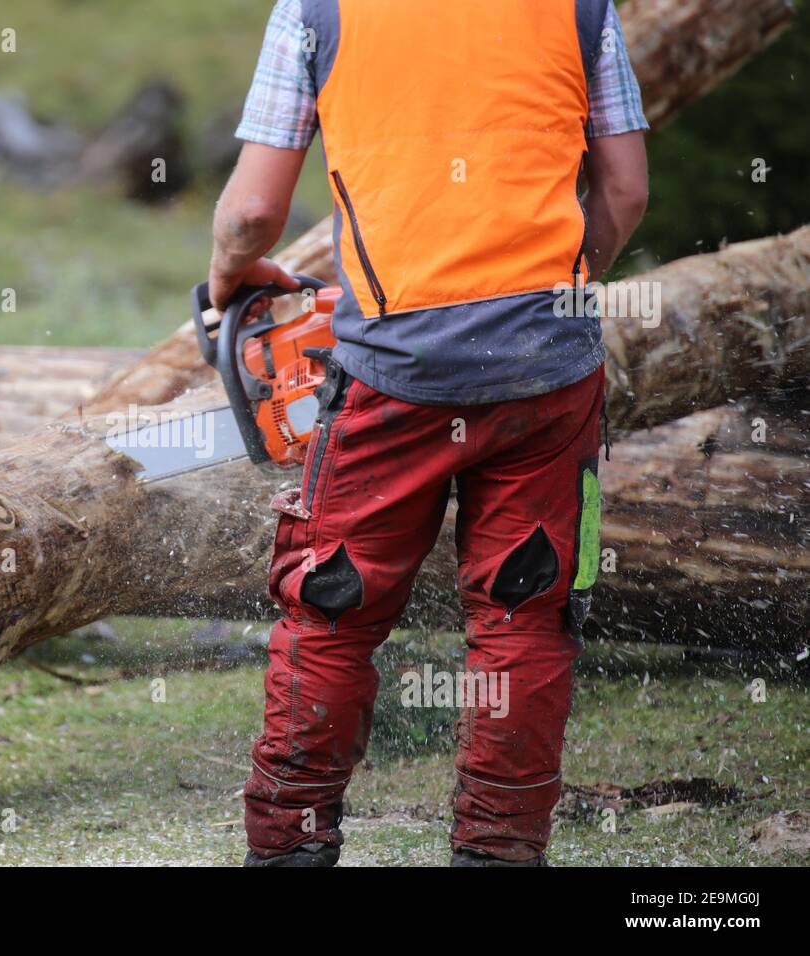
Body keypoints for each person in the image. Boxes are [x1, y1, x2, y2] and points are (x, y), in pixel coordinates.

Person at [208, 0, 649, 867]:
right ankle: (497, 851)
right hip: (550, 372)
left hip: (389, 373)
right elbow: (627, 189)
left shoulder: (315, 9)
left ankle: (290, 847)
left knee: (331, 603)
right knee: (530, 610)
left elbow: (253, 216)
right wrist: (536, 297)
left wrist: (231, 274)